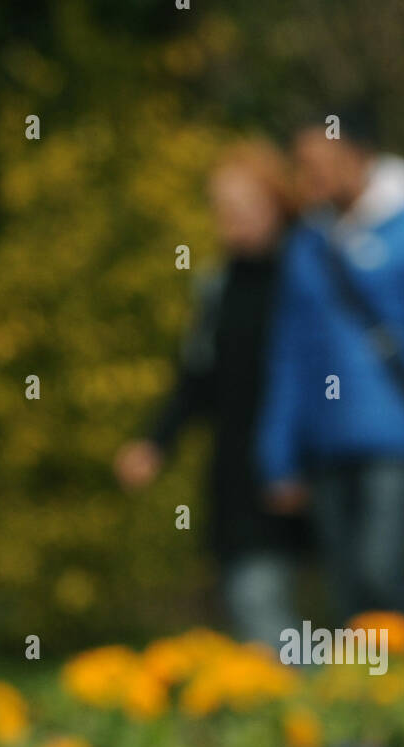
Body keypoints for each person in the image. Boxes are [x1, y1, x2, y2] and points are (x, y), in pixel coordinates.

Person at [257, 112, 404, 628]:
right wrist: (278, 453)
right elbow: (289, 355)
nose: (306, 179)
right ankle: (360, 696)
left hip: (397, 439)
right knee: (343, 586)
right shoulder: (307, 245)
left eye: (317, 165)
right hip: (326, 442)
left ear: (358, 157)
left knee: (382, 573)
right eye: (301, 166)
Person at [114, 140, 307, 649]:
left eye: (244, 208)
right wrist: (155, 443)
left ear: (277, 203)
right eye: (221, 210)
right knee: (254, 601)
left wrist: (298, 460)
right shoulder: (218, 286)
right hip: (239, 473)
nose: (231, 221)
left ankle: (325, 711)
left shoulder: (309, 277)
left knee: (314, 609)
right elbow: (196, 379)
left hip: (308, 470)